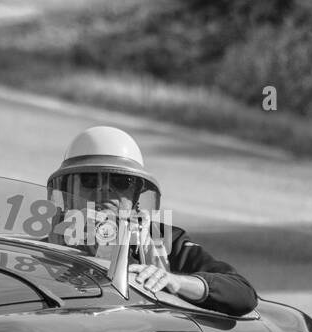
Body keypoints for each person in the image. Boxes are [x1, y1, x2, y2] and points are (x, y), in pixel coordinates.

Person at [47, 126, 257, 316]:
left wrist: (175, 281)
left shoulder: (165, 242)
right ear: (67, 192)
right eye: (89, 180)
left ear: (136, 194)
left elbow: (242, 293)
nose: (104, 190)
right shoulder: (45, 249)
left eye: (121, 181)